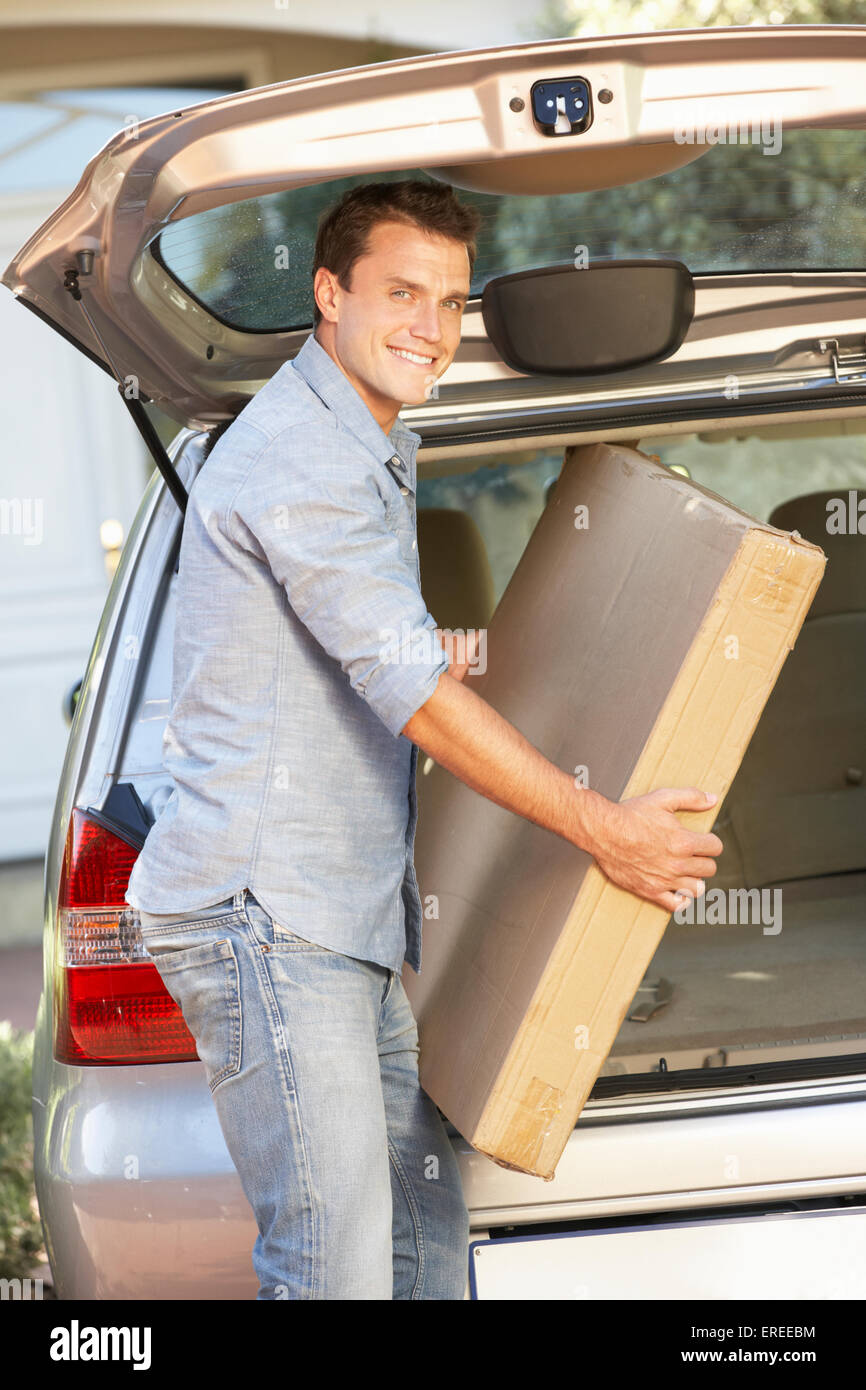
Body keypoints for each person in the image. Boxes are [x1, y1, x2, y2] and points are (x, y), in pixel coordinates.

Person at [125, 178, 723, 1300]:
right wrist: (607, 832)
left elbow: (366, 656)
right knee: (336, 1269)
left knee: (419, 1248)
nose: (431, 328)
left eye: (451, 302)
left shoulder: (366, 442)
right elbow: (411, 698)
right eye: (401, 293)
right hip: (269, 918)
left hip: (341, 917)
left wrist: (424, 658)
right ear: (327, 292)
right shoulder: (303, 457)